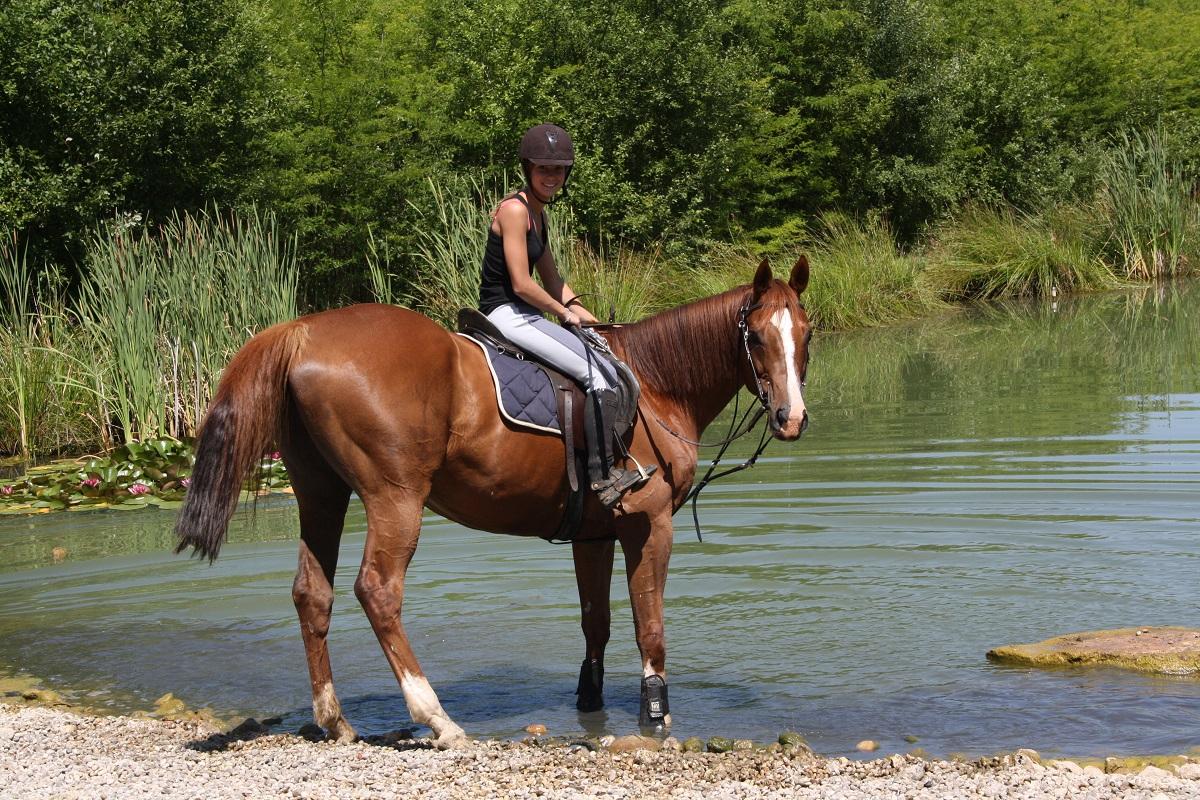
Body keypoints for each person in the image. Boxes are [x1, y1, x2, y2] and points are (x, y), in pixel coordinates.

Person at [478, 123, 649, 508]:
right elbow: (522, 284)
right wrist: (562, 314)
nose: (551, 176)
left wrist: (589, 318)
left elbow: (554, 281)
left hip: (526, 313)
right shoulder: (513, 211)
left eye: (558, 170)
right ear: (528, 169)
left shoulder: (540, 216)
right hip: (506, 312)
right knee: (599, 378)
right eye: (543, 169)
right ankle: (602, 476)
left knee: (605, 354)